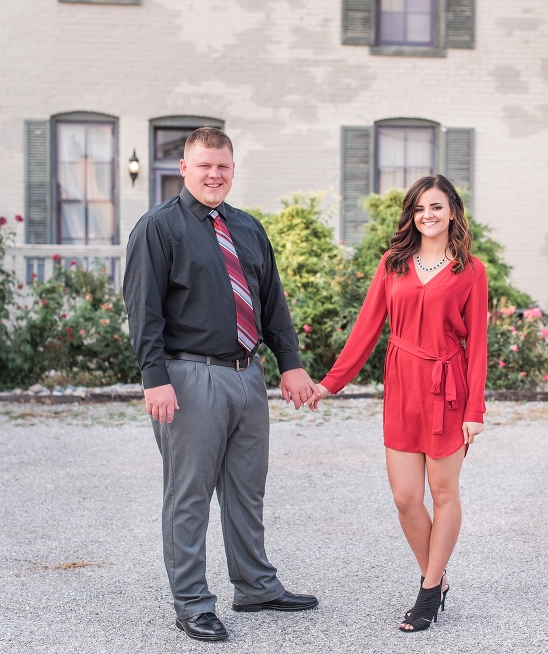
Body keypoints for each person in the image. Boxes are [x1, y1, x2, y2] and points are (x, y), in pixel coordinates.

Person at [123, 127, 320, 642]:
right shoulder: (158, 228)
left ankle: (256, 585)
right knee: (188, 495)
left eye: (223, 167)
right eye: (205, 166)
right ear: (184, 169)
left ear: (233, 170)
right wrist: (154, 378)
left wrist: (291, 364)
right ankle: (191, 601)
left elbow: (271, 303)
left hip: (247, 376)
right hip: (189, 378)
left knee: (246, 491)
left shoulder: (249, 230)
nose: (215, 175)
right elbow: (142, 311)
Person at [307, 174, 488, 633]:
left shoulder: (471, 270)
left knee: (444, 494)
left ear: (452, 212)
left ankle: (428, 592)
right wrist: (331, 384)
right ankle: (440, 578)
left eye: (437, 208)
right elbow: (366, 330)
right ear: (412, 214)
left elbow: (480, 345)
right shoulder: (394, 263)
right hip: (403, 385)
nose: (428, 216)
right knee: (406, 498)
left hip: (448, 388)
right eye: (420, 209)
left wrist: (474, 410)